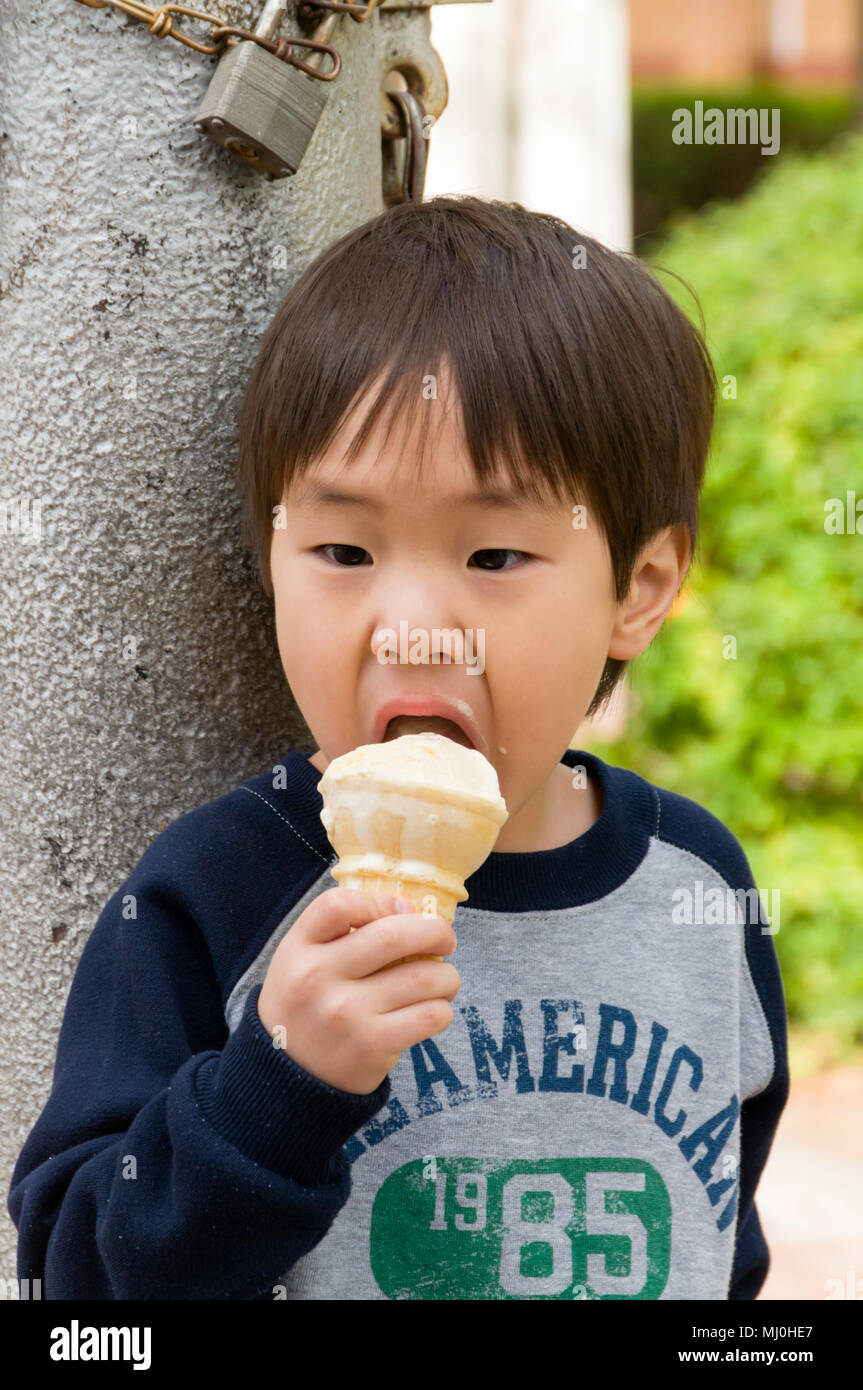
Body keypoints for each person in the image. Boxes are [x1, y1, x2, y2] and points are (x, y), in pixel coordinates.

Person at [8, 195, 788, 1300]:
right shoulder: (213, 896)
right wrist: (276, 1086)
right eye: (340, 547)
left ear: (640, 587)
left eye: (495, 555)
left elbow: (722, 1246)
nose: (409, 622)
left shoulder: (696, 892)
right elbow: (76, 1289)